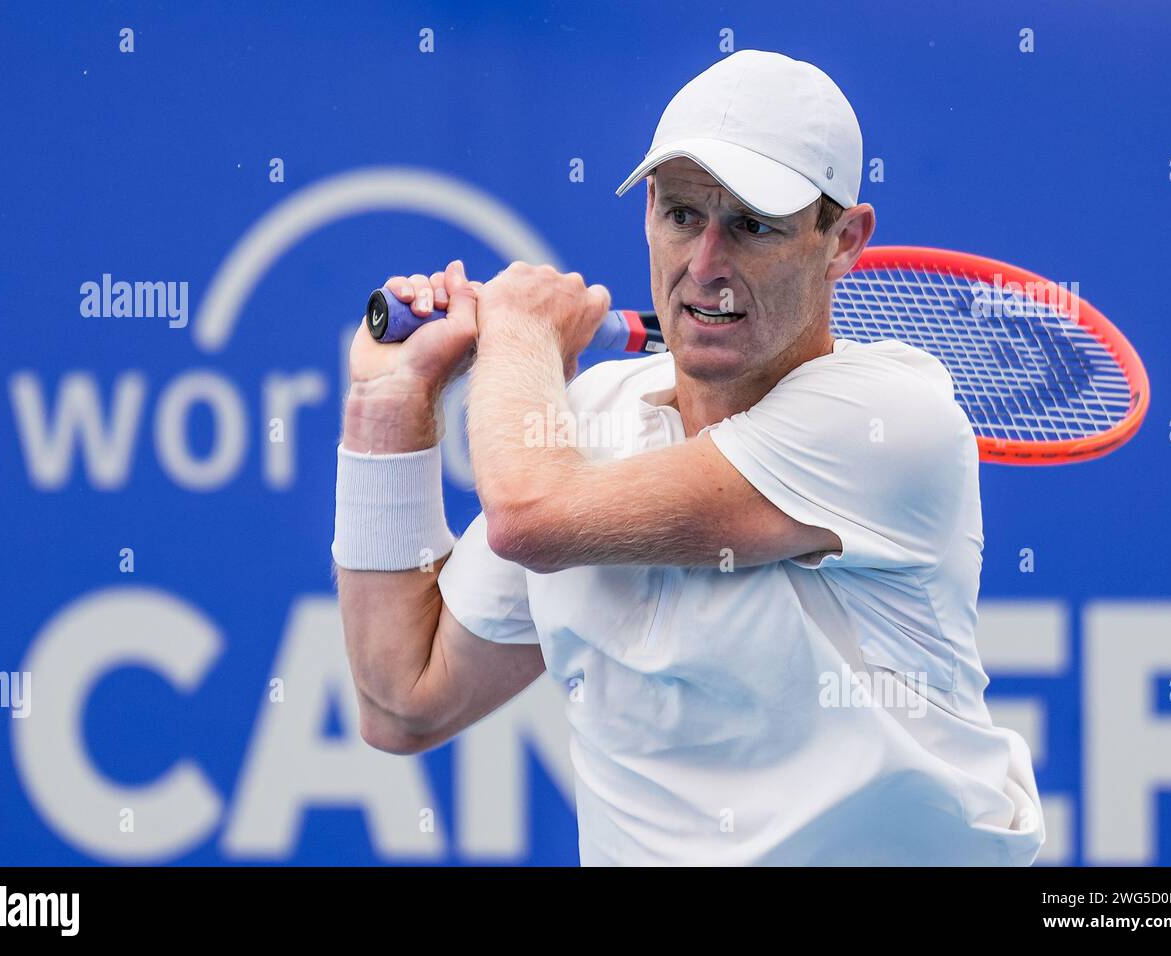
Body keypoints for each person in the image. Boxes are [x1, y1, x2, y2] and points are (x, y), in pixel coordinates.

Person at [333, 50, 1046, 865]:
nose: (706, 264)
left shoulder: (887, 419)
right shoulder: (587, 419)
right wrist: (387, 408)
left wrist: (520, 335)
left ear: (843, 239)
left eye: (753, 225)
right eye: (682, 216)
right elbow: (404, 702)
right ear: (648, 211)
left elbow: (534, 518)